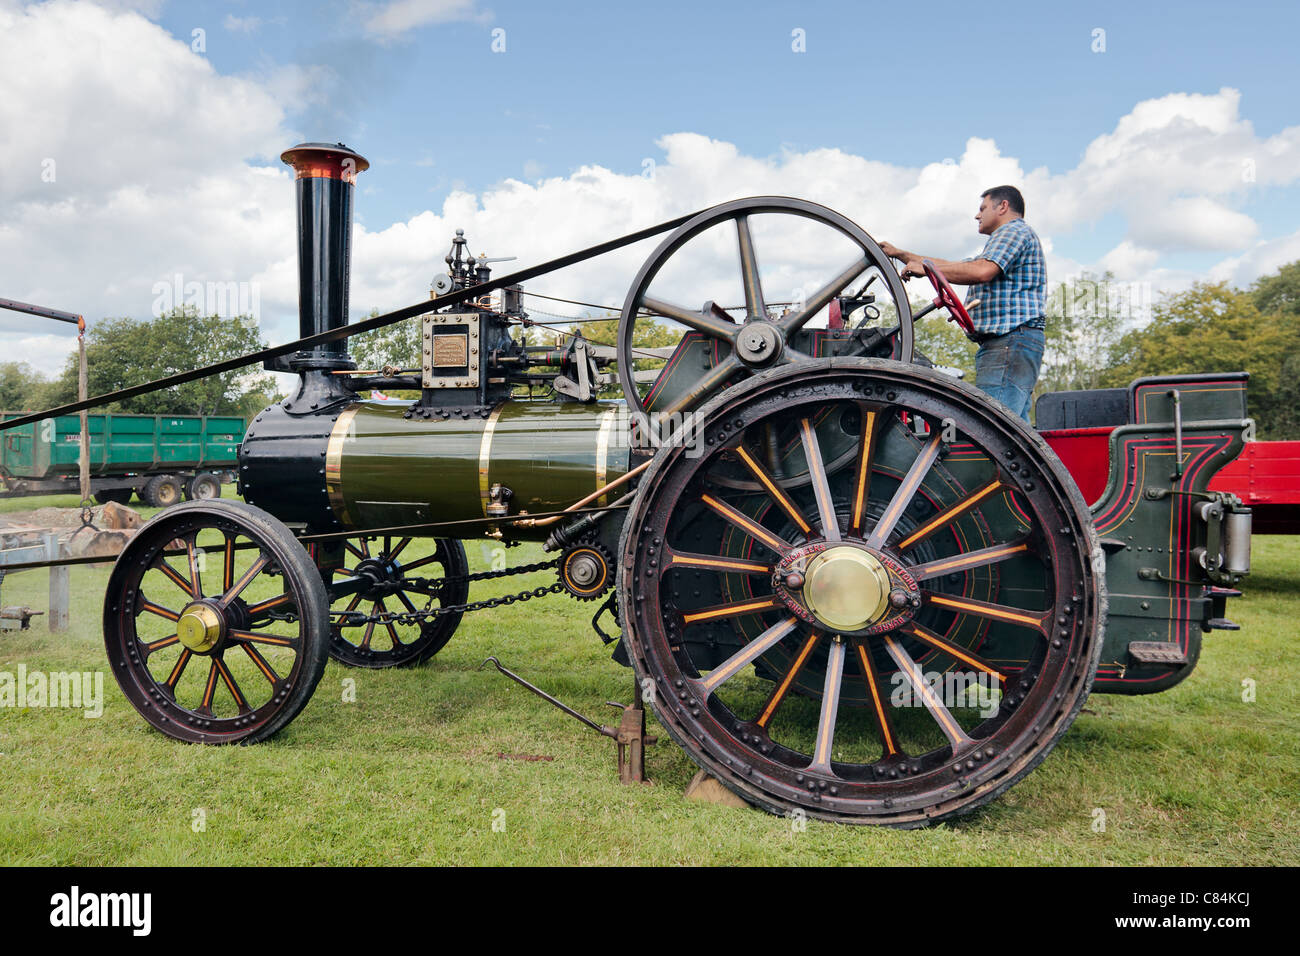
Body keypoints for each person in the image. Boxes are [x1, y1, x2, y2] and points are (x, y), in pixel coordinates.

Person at [879, 186, 1046, 422]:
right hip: (1011, 344)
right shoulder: (1003, 241)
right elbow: (955, 264)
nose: (977, 215)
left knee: (993, 427)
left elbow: (981, 270)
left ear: (1003, 207)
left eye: (982, 208)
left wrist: (927, 270)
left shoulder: (1012, 232)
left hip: (1009, 343)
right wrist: (901, 254)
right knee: (1014, 429)